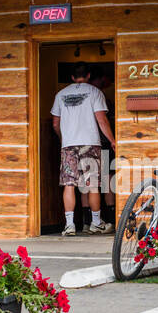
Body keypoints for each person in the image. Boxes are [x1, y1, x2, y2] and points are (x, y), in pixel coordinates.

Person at [51, 62, 116, 236]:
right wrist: (112, 140)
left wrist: (63, 138)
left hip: (68, 145)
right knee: (92, 184)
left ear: (72, 77)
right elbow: (102, 120)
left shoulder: (60, 95)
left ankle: (69, 225)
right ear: (88, 76)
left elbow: (55, 123)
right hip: (90, 143)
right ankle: (96, 223)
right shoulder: (95, 92)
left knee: (69, 184)